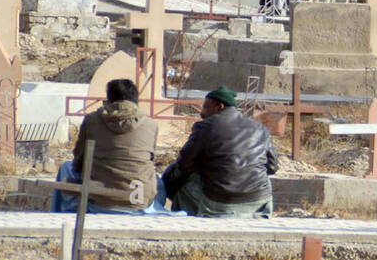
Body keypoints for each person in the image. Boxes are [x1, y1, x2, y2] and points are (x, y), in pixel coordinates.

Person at [162, 86, 278, 217]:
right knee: (262, 176)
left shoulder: (205, 126)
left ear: (219, 106)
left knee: (176, 176)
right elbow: (272, 167)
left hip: (219, 201)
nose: (202, 113)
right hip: (259, 200)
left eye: (205, 107)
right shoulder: (259, 128)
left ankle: (188, 221)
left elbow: (184, 164)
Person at [50, 78, 160, 214]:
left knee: (66, 168)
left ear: (109, 99)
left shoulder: (92, 120)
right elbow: (148, 160)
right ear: (136, 100)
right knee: (155, 177)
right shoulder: (151, 125)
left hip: (99, 200)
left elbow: (79, 161)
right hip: (137, 201)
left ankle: (64, 214)